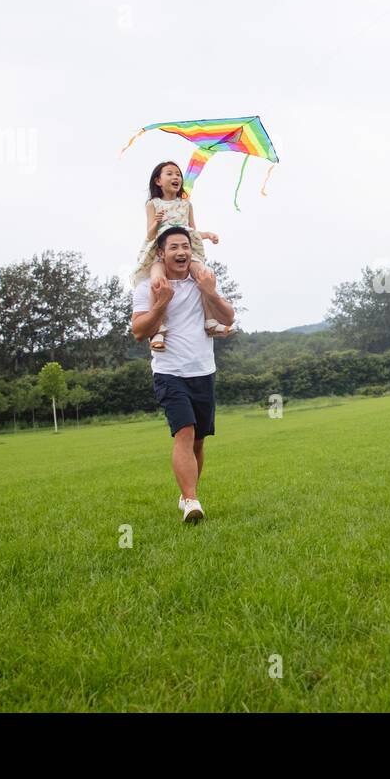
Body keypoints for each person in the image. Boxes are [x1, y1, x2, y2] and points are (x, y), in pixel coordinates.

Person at [131, 225, 236, 523]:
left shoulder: (202, 283)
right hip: (169, 372)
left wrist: (211, 293)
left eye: (185, 247)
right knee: (185, 433)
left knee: (199, 440)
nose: (181, 252)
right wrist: (162, 302)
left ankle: (187, 493)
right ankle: (191, 501)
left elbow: (228, 317)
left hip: (203, 371)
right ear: (161, 254)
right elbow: (139, 331)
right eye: (174, 247)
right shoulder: (147, 289)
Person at [132, 161, 230, 351]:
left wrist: (207, 235)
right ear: (158, 181)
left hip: (185, 246)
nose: (176, 177)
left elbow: (191, 231)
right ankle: (158, 330)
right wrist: (157, 222)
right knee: (157, 280)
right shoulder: (153, 204)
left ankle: (210, 322)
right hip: (160, 251)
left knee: (204, 274)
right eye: (170, 174)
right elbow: (151, 234)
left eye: (178, 174)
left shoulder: (186, 204)